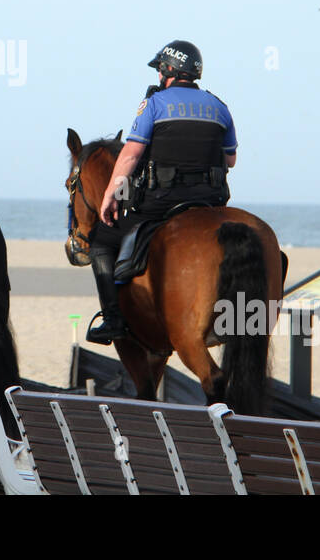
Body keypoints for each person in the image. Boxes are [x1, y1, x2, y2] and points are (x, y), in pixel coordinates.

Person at [86, 41, 238, 345]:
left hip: (163, 203)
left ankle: (113, 319)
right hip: (211, 204)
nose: (158, 75)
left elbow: (130, 155)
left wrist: (110, 196)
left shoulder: (154, 104)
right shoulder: (219, 106)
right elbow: (230, 159)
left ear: (169, 70)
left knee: (102, 239)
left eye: (160, 69)